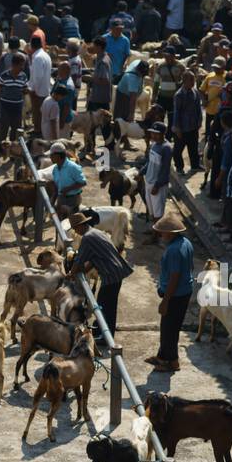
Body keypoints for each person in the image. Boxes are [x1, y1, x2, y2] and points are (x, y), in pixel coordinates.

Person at [68, 210, 133, 342]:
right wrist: (83, 271)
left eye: (75, 228)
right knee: (105, 303)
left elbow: (79, 260)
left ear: (81, 225)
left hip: (111, 274)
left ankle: (105, 337)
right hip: (115, 272)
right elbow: (93, 259)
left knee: (104, 305)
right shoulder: (96, 232)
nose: (75, 232)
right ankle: (99, 330)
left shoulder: (87, 238)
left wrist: (70, 274)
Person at [147, 211, 193, 373]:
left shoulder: (174, 250)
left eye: (163, 232)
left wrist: (165, 301)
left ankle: (172, 362)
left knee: (170, 330)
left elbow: (175, 276)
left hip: (175, 295)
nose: (160, 234)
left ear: (171, 233)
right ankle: (162, 356)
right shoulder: (185, 242)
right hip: (182, 291)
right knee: (167, 327)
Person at [0, 51, 27, 159]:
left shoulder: (23, 76)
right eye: (21, 65)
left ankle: (13, 154)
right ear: (14, 65)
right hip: (5, 107)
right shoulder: (4, 76)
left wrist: (27, 91)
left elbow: (24, 89)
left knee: (15, 132)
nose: (23, 67)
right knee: (2, 131)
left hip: (17, 107)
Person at [142, 122, 172, 229]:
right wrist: (142, 172)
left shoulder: (166, 148)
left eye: (156, 133)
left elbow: (165, 170)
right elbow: (149, 162)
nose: (153, 136)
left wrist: (157, 185)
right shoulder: (153, 145)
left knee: (158, 213)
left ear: (163, 134)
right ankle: (154, 231)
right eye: (152, 133)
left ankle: (156, 236)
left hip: (157, 185)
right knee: (152, 211)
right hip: (149, 181)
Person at [171, 70, 202, 173]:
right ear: (184, 81)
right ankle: (179, 167)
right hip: (182, 127)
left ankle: (195, 165)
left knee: (193, 147)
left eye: (194, 79)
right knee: (178, 149)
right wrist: (177, 128)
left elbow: (198, 108)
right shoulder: (179, 95)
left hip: (193, 126)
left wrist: (199, 121)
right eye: (191, 80)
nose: (193, 82)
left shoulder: (195, 92)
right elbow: (177, 112)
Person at [50, 143, 85, 214]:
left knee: (72, 222)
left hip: (73, 200)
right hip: (61, 199)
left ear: (58, 155)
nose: (50, 157)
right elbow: (56, 188)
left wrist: (68, 189)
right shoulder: (55, 169)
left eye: (51, 155)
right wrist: (51, 204)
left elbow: (83, 182)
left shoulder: (73, 167)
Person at [27, 34, 51, 128]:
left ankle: (38, 131)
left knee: (38, 113)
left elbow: (37, 77)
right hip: (44, 89)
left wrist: (33, 90)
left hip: (38, 92)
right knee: (41, 114)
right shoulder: (45, 55)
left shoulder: (37, 58)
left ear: (32, 46)